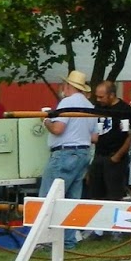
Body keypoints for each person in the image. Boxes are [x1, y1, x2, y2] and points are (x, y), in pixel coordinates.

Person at [39, 70, 98, 249]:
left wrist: (45, 120)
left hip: (64, 153)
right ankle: (69, 240)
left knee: (49, 196)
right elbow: (95, 137)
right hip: (83, 153)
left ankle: (47, 240)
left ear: (68, 86)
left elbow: (58, 129)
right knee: (72, 198)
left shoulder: (67, 102)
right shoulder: (90, 106)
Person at [86, 80, 131, 203]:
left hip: (115, 157)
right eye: (97, 96)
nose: (99, 99)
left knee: (114, 196)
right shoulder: (98, 108)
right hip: (99, 155)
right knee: (95, 194)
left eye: (101, 97)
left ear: (111, 95)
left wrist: (117, 156)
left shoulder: (124, 110)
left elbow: (129, 135)